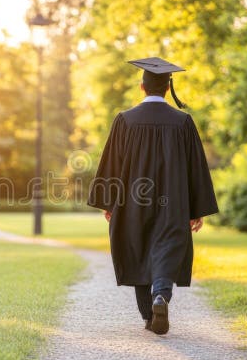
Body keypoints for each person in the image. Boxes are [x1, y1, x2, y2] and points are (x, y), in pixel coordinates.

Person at [87, 57, 219, 335]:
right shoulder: (183, 122)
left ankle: (149, 315)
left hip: (133, 202)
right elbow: (195, 167)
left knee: (138, 248)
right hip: (174, 203)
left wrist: (109, 202)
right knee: (167, 247)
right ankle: (161, 295)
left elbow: (112, 163)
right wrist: (196, 208)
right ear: (167, 87)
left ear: (142, 87)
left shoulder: (125, 120)